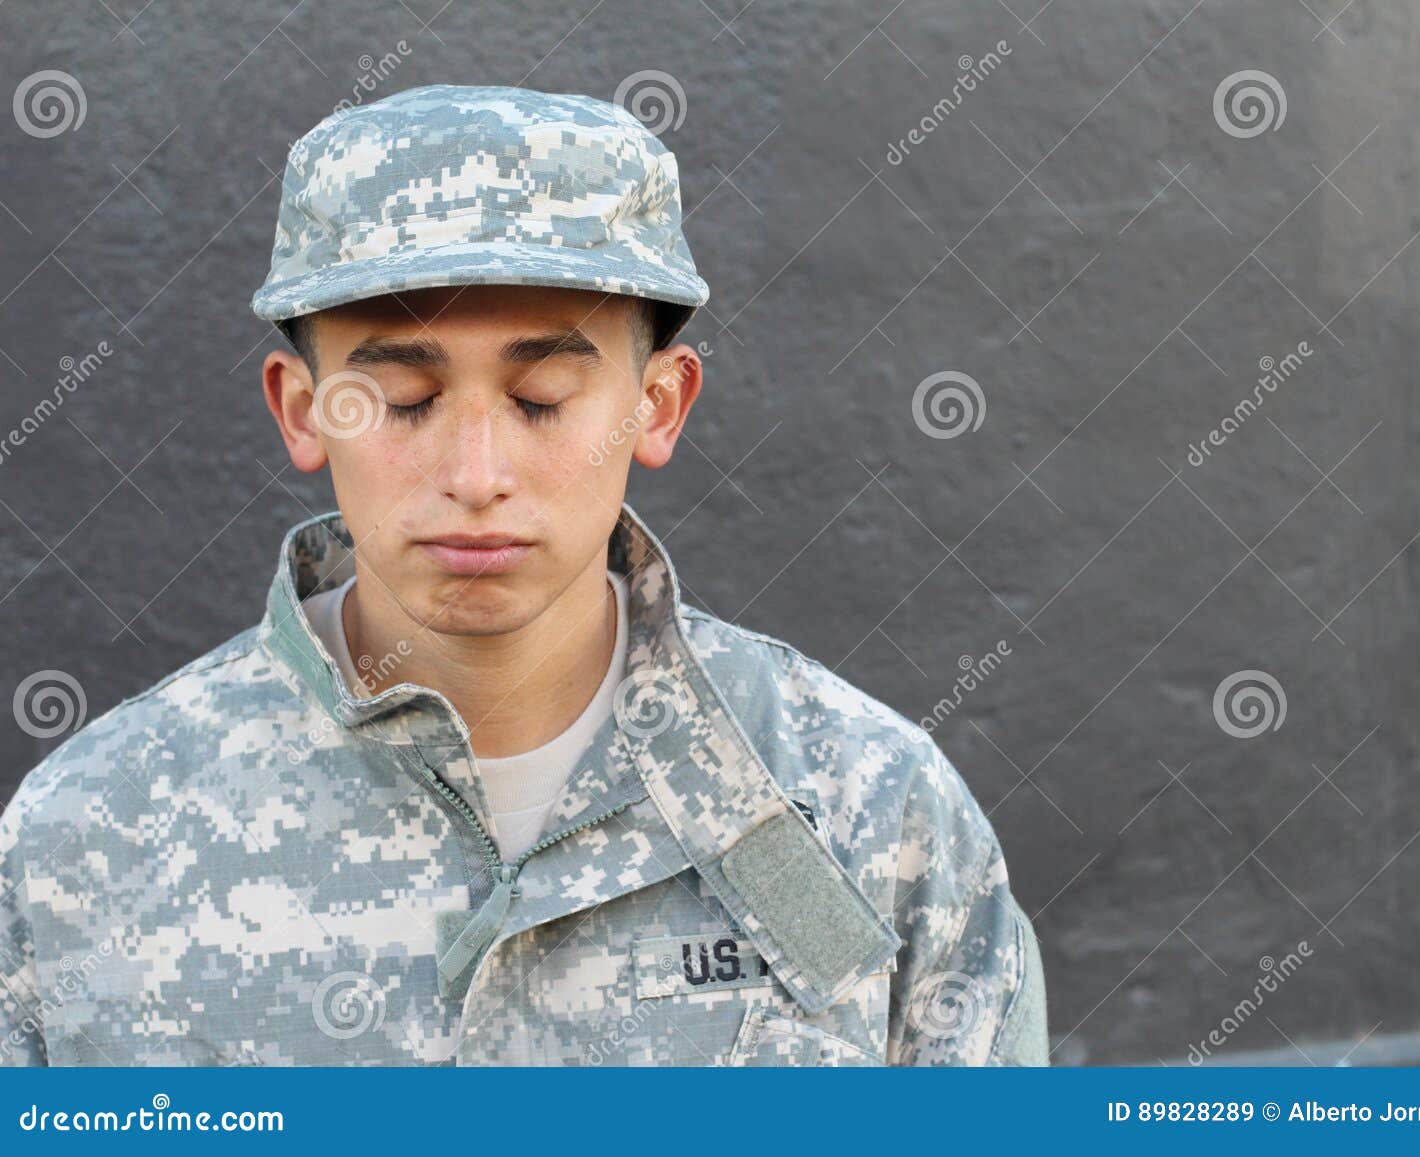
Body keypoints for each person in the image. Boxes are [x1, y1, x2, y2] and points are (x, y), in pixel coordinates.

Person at [0, 84, 1046, 1066]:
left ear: (659, 405)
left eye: (543, 396)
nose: (475, 476)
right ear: (301, 408)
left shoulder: (873, 811)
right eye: (403, 398)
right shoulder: (82, 844)